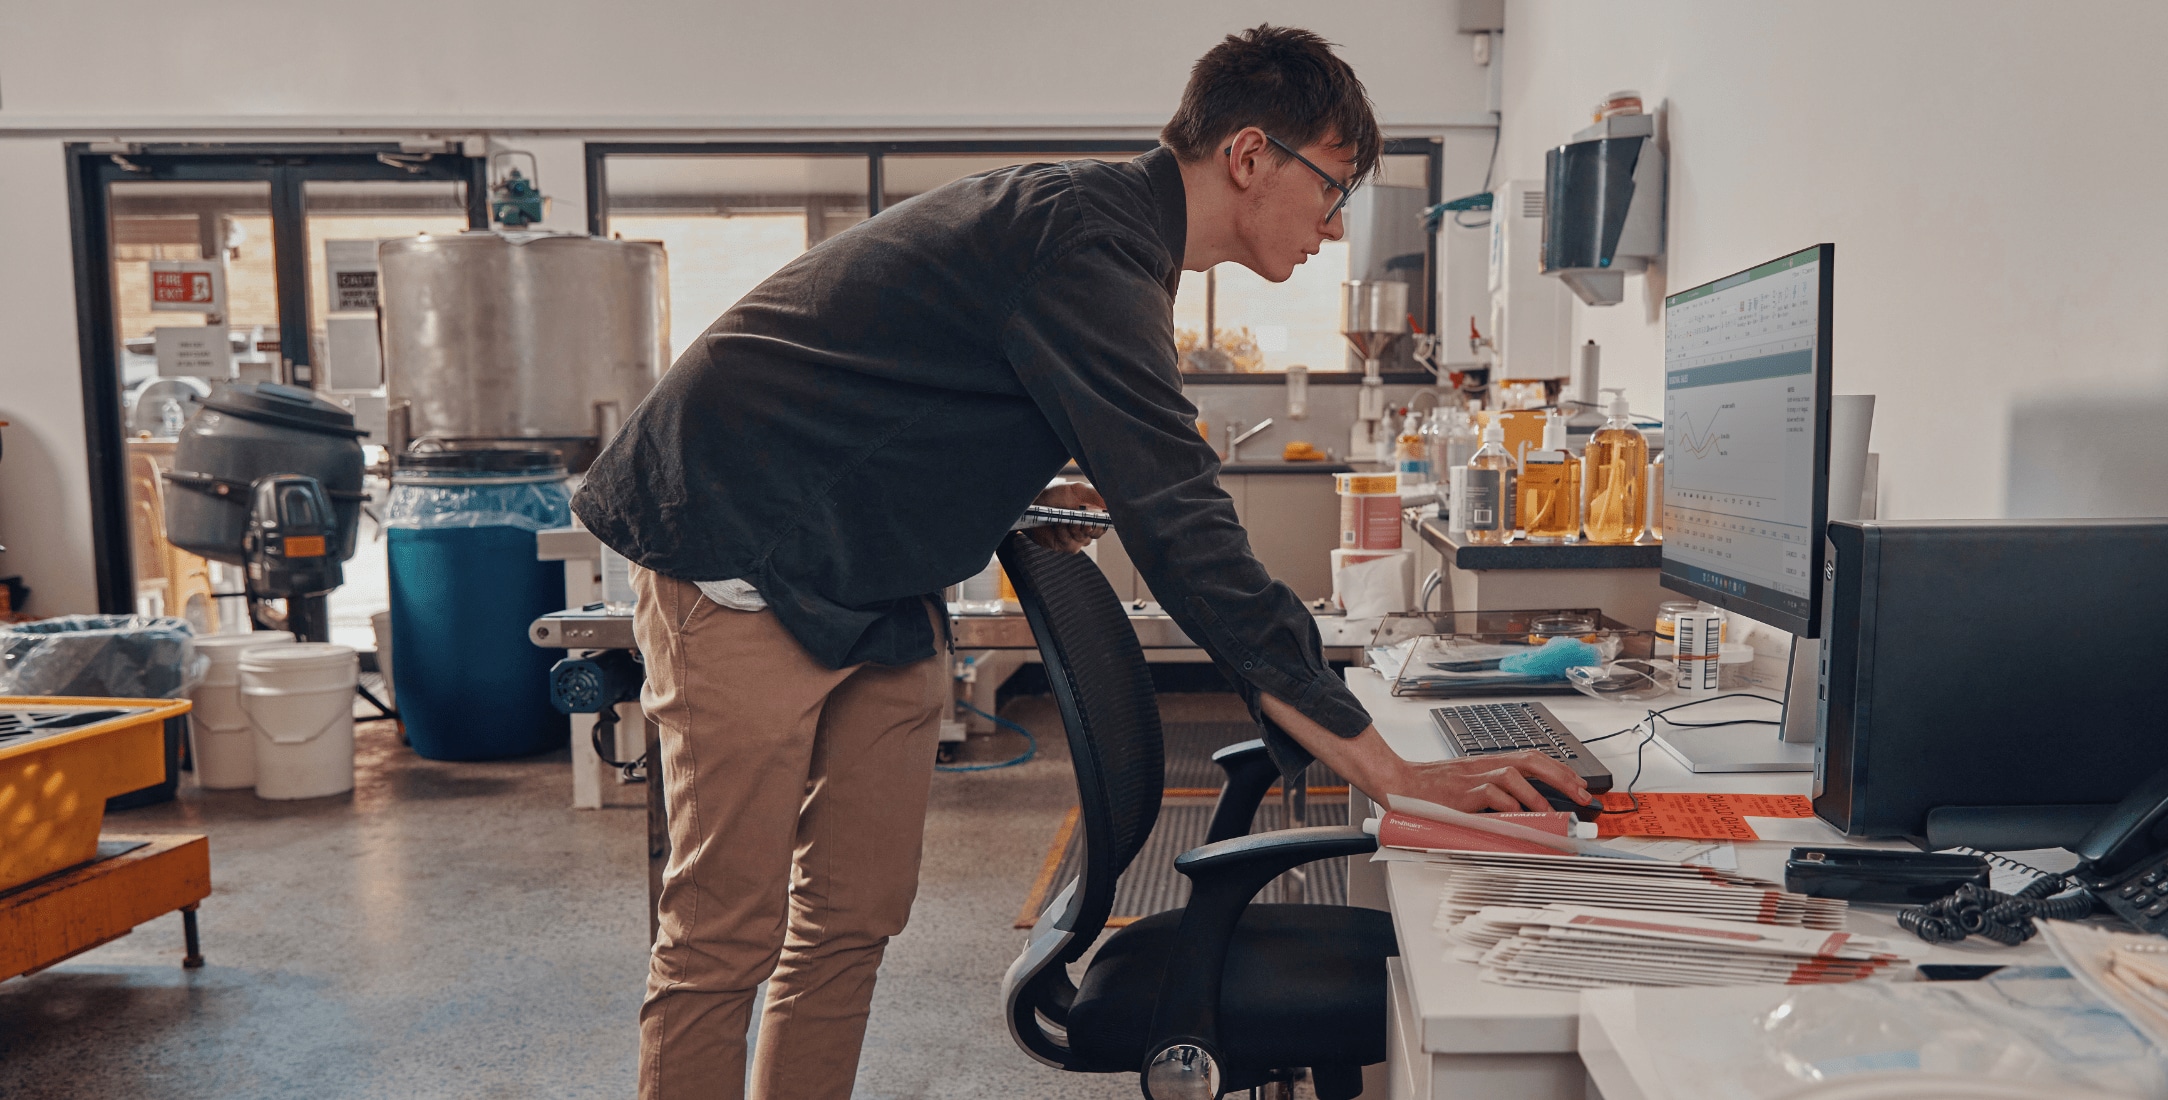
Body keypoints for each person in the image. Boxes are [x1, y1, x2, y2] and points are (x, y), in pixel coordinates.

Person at [574, 24, 1591, 1100]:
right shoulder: (1086, 240)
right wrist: (1387, 769)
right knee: (724, 932)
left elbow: (930, 385)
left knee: (852, 918)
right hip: (739, 547)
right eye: (1331, 186)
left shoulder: (1112, 249)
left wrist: (1014, 480)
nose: (1334, 226)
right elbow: (1182, 524)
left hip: (874, 576)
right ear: (1247, 155)